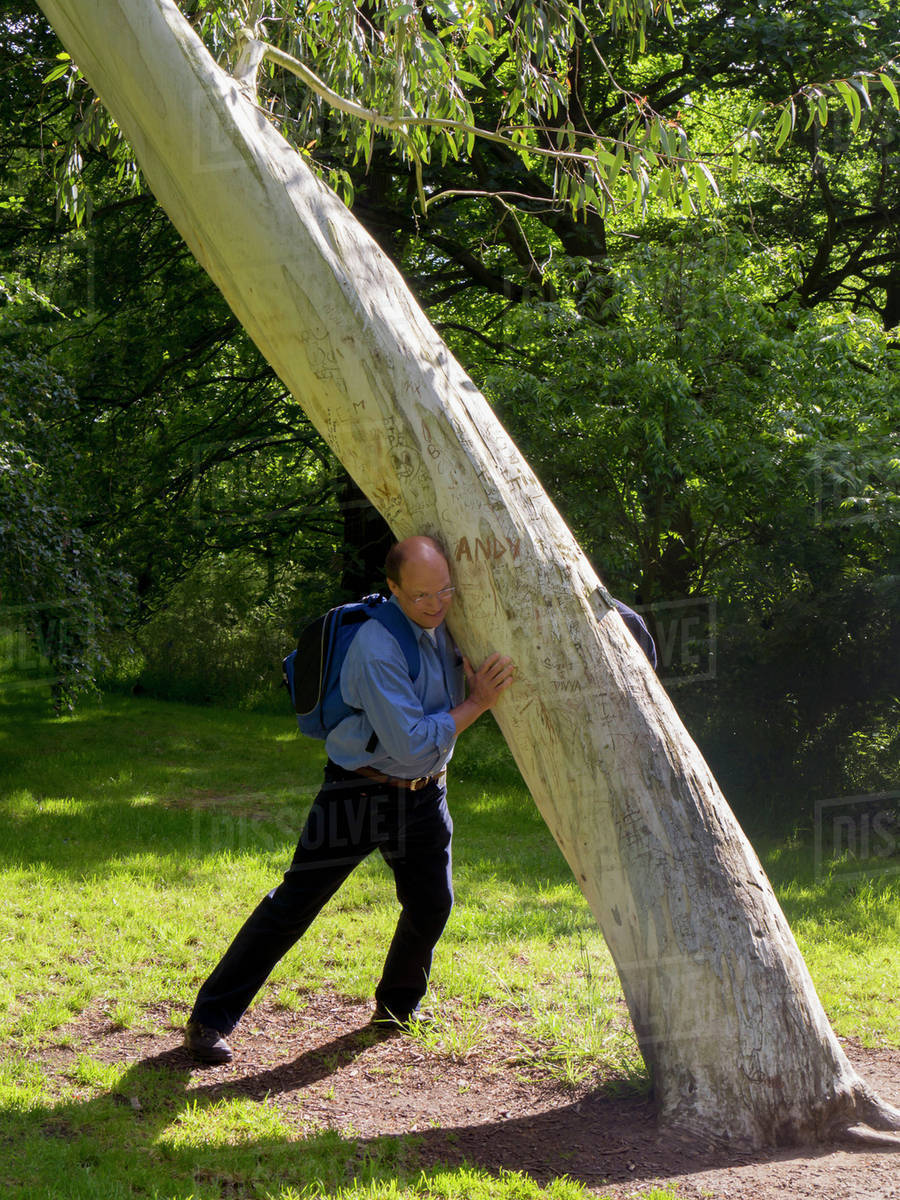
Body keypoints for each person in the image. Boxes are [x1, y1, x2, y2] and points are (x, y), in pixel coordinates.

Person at [184, 535, 514, 1064]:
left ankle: (397, 1007)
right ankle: (209, 1020)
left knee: (432, 903)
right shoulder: (375, 647)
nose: (435, 605)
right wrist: (477, 703)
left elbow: (431, 726)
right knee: (294, 906)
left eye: (444, 591)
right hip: (358, 792)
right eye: (421, 596)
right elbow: (408, 740)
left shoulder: (454, 624)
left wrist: (466, 691)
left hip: (426, 793)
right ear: (393, 589)